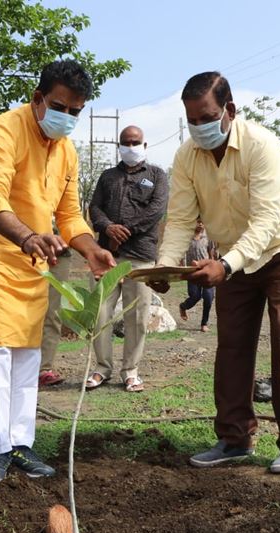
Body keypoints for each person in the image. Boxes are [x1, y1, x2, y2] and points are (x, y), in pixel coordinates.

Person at [0, 60, 115, 484]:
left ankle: (20, 443)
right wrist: (26, 237)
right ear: (38, 99)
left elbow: (70, 216)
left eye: (77, 112)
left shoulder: (68, 151)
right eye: (61, 107)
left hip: (32, 259)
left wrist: (92, 249)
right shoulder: (3, 130)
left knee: (27, 353)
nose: (68, 118)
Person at [154, 71, 280, 474]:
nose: (198, 128)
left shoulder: (262, 145)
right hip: (233, 255)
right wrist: (164, 266)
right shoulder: (186, 156)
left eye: (206, 117)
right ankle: (233, 438)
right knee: (232, 345)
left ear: (229, 110)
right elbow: (178, 221)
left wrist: (225, 266)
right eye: (191, 120)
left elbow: (265, 222)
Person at [86, 126, 168, 393]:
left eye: (135, 142)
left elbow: (156, 210)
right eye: (126, 142)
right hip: (107, 256)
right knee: (99, 313)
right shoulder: (108, 176)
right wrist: (108, 228)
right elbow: (94, 207)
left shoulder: (157, 175)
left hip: (141, 257)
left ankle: (131, 371)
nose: (130, 146)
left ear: (144, 145)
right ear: (119, 145)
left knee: (137, 317)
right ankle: (102, 368)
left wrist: (126, 229)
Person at [38, 246, 71, 387]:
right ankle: (12, 365)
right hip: (23, 253)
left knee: (53, 312)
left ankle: (44, 370)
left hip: (59, 255)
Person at [179, 221, 217, 332]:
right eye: (198, 222)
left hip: (206, 271)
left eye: (202, 222)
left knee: (208, 298)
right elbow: (182, 253)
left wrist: (213, 267)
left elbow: (211, 254)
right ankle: (183, 306)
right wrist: (182, 266)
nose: (200, 224)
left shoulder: (208, 236)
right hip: (192, 271)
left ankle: (204, 324)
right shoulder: (187, 236)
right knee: (195, 296)